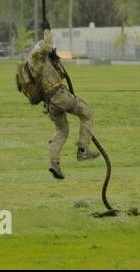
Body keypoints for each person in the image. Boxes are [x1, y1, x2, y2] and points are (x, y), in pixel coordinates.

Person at [26, 36, 98, 179]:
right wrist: (47, 34)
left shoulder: (35, 65)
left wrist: (56, 61)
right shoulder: (38, 58)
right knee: (87, 114)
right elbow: (46, 45)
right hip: (60, 97)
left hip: (50, 103)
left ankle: (54, 163)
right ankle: (83, 150)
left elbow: (60, 75)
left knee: (62, 131)